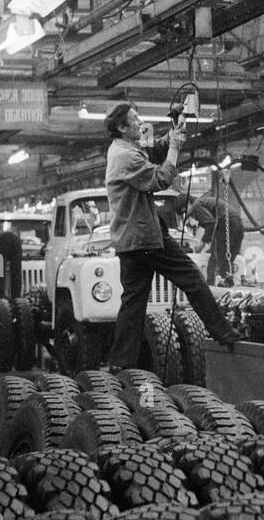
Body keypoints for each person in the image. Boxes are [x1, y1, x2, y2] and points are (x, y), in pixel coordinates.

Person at [104, 102, 242, 367]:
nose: (140, 122)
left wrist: (173, 134)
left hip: (129, 240)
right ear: (122, 127)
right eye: (135, 119)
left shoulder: (122, 149)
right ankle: (223, 332)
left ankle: (121, 363)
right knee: (192, 278)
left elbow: (153, 149)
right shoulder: (126, 157)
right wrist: (176, 147)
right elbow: (162, 178)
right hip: (145, 237)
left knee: (133, 304)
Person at [190, 177, 245, 283]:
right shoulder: (205, 202)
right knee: (229, 257)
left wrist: (201, 245)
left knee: (216, 254)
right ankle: (227, 281)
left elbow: (210, 224)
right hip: (238, 222)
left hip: (226, 222)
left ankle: (211, 283)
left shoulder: (196, 205)